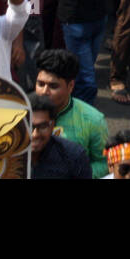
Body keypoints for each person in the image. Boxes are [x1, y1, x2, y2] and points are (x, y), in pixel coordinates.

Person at [34, 48, 108, 179]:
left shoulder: (93, 120)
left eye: (53, 86)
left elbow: (105, 162)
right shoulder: (20, 113)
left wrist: (77, 172)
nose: (44, 92)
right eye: (40, 84)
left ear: (70, 86)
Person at [27, 93, 92, 179]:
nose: (35, 134)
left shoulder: (74, 157)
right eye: (29, 126)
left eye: (42, 126)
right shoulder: (7, 155)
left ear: (53, 124)